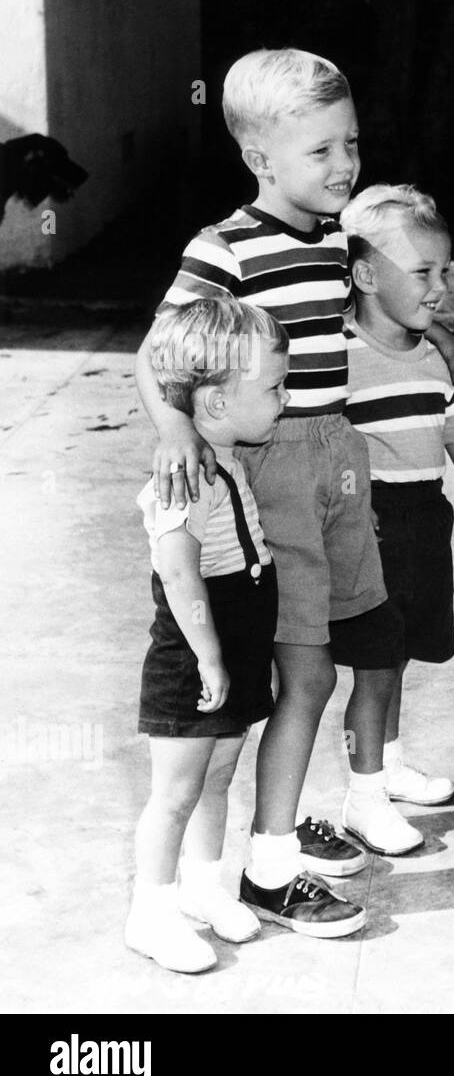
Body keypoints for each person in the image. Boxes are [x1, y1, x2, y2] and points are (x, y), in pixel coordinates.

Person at [132, 48, 454, 933]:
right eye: (321, 151)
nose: (345, 166)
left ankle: (311, 816)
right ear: (260, 158)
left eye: (351, 144)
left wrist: (438, 337)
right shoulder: (224, 247)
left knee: (360, 644)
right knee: (305, 673)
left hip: (341, 460)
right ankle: (268, 861)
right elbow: (157, 348)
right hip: (276, 468)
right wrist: (176, 425)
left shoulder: (333, 240)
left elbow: (375, 306)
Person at [330, 183, 454, 828]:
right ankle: (363, 800)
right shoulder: (337, 356)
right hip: (368, 527)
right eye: (423, 273)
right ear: (366, 275)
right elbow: (314, 441)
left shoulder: (433, 356)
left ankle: (390, 766)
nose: (439, 290)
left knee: (399, 653)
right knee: (374, 667)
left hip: (425, 520)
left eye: (445, 273)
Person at [129, 298, 292, 971]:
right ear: (218, 405)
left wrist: (249, 655)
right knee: (175, 792)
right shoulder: (184, 476)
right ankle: (151, 912)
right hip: (196, 652)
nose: (285, 398)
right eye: (276, 387)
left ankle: (200, 888)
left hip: (235, 639)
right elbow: (178, 572)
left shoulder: (223, 453)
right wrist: (210, 657)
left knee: (219, 776)